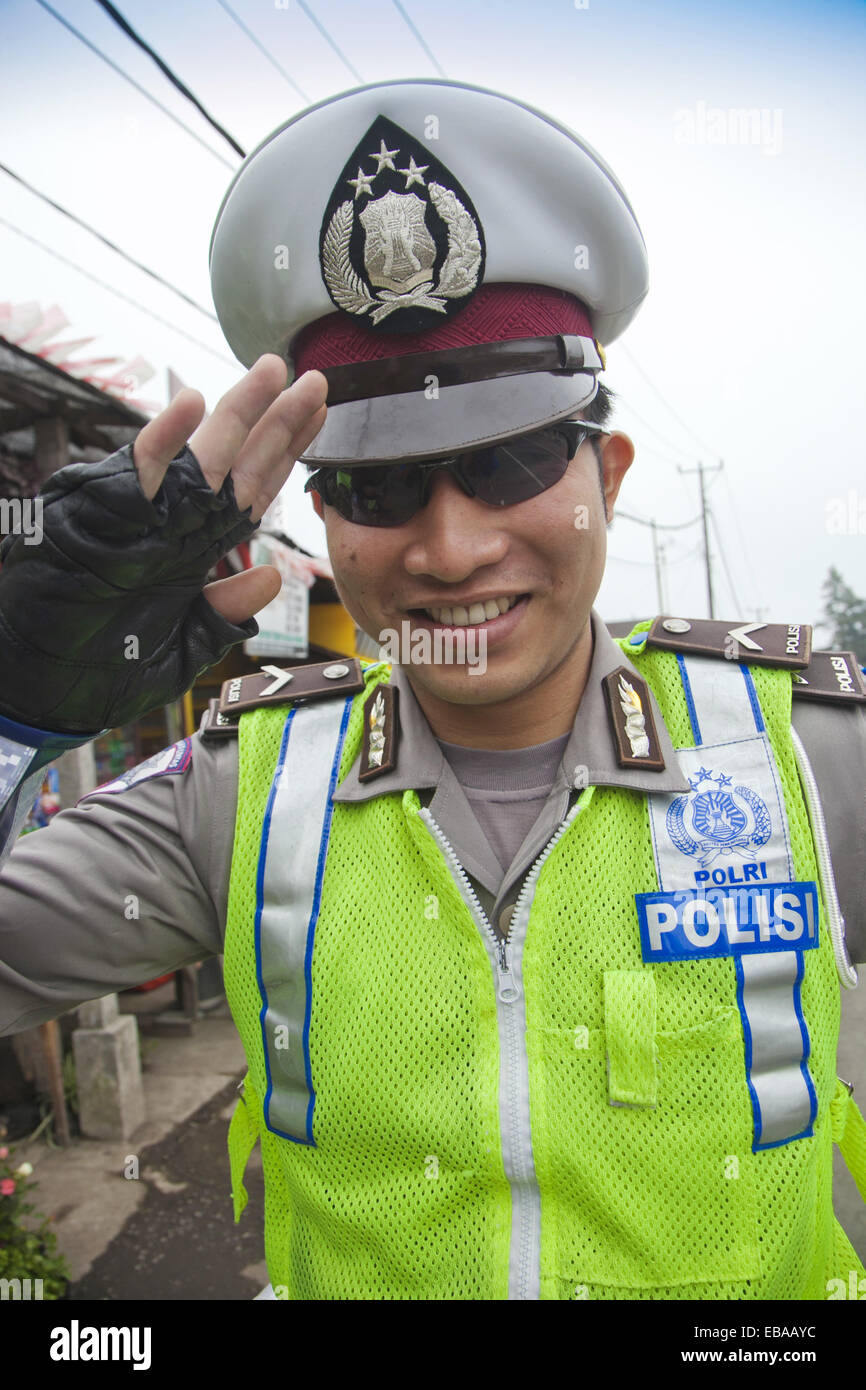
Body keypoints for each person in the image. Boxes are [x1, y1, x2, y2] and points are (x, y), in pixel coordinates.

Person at [1, 79, 864, 1302]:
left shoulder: (805, 754)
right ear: (321, 516)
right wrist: (11, 723)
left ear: (604, 475)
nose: (450, 550)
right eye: (382, 487)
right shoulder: (239, 795)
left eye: (506, 460)